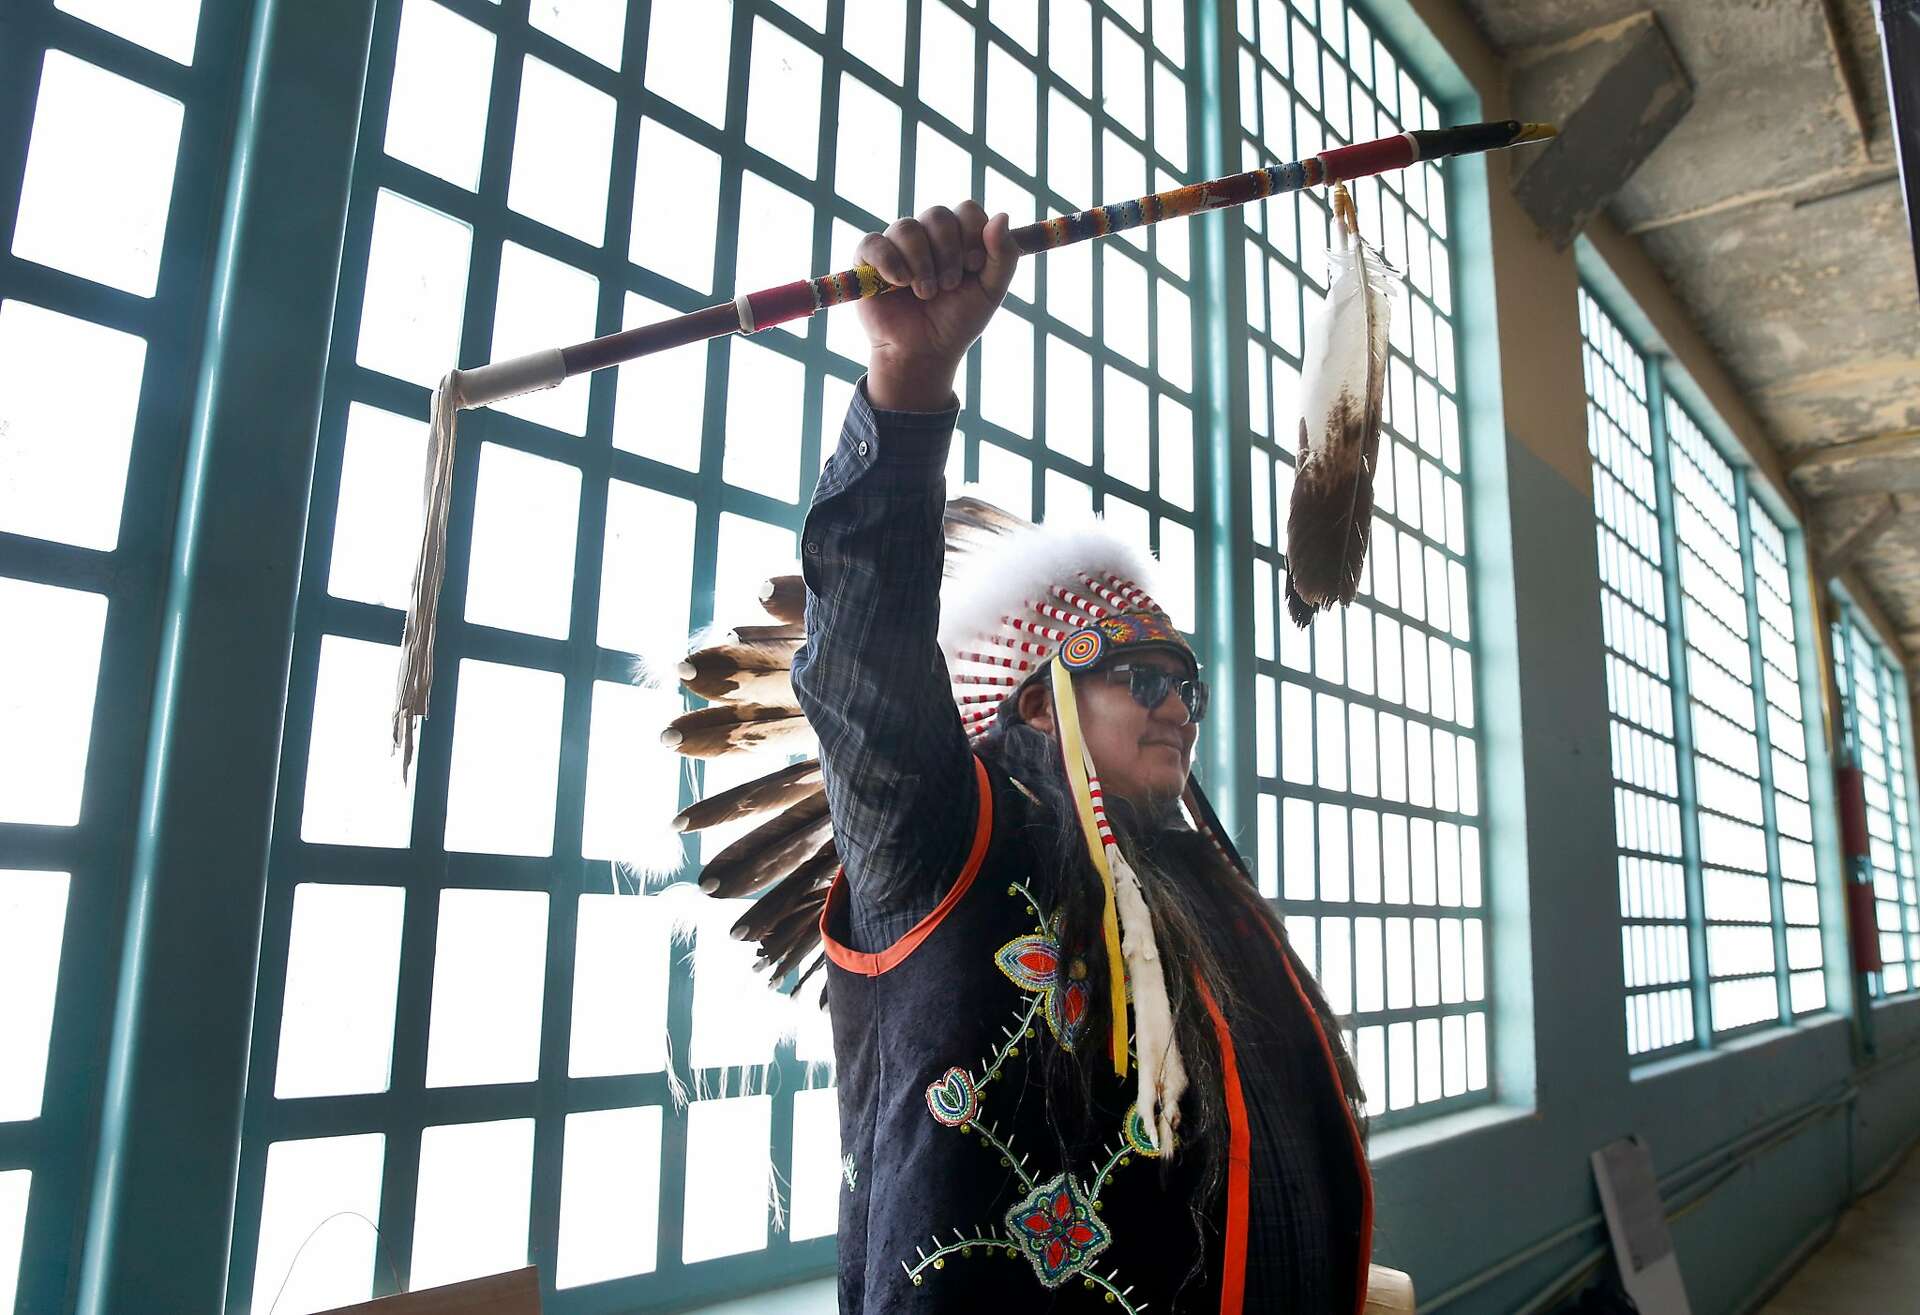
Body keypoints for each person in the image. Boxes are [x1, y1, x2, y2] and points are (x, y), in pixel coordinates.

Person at [789, 200, 1372, 1313]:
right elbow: (862, 676)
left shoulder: (1204, 886)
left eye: (1187, 684)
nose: (1179, 708)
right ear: (1041, 704)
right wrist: (908, 379)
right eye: (1140, 677)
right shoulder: (942, 849)